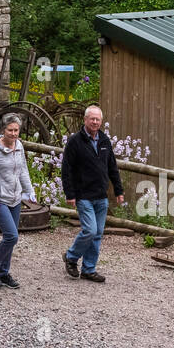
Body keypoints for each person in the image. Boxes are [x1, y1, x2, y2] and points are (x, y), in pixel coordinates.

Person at [60, 105, 125, 283]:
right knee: (90, 230)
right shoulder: (75, 141)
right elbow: (66, 169)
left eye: (98, 119)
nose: (95, 122)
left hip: (101, 196)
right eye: (92, 119)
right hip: (83, 195)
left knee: (97, 235)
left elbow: (112, 167)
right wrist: (70, 194)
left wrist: (119, 191)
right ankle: (72, 257)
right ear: (85, 120)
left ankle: (89, 269)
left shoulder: (104, 140)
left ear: (101, 121)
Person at [0, 113, 35, 289]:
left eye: (16, 130)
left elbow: (23, 171)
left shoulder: (19, 146)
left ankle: (3, 273)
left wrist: (29, 190)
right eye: (10, 130)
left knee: (10, 237)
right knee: (12, 236)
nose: (13, 134)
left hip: (15, 199)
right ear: (3, 130)